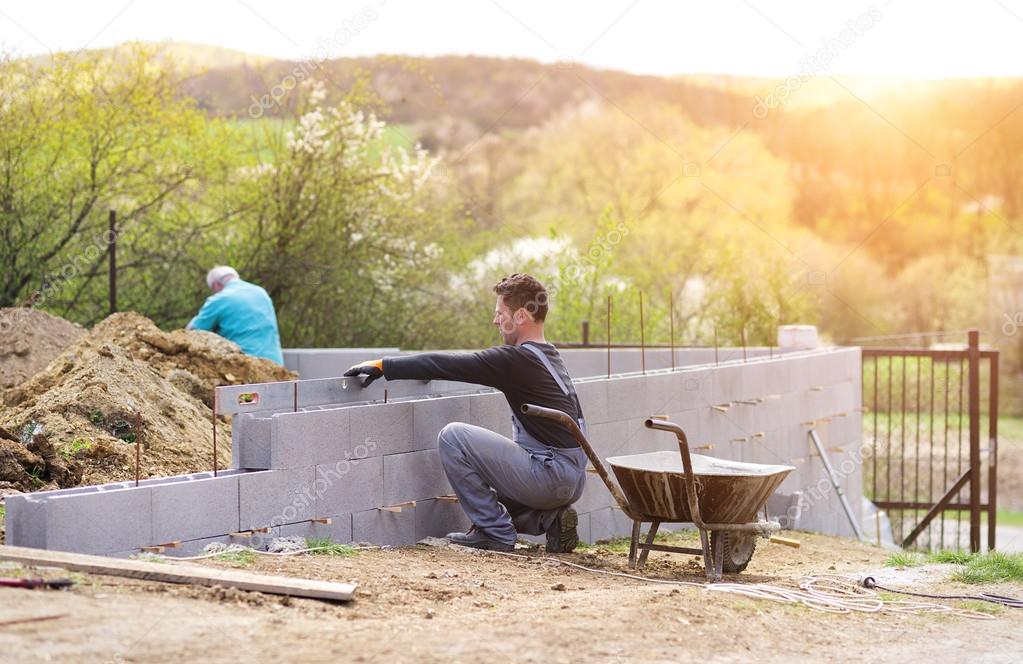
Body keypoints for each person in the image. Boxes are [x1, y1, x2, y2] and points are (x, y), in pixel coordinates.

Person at [345, 273, 587, 553]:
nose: (495, 320)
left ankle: (494, 533)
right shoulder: (548, 355)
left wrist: (384, 366)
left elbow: (450, 364)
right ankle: (551, 519)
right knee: (491, 484)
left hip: (549, 474)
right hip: (570, 477)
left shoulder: (515, 360)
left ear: (520, 316)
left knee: (454, 437)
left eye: (500, 313)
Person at [187, 265, 284, 365]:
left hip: (246, 366)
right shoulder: (261, 292)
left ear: (216, 285)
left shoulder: (220, 299)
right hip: (275, 364)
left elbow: (192, 331)